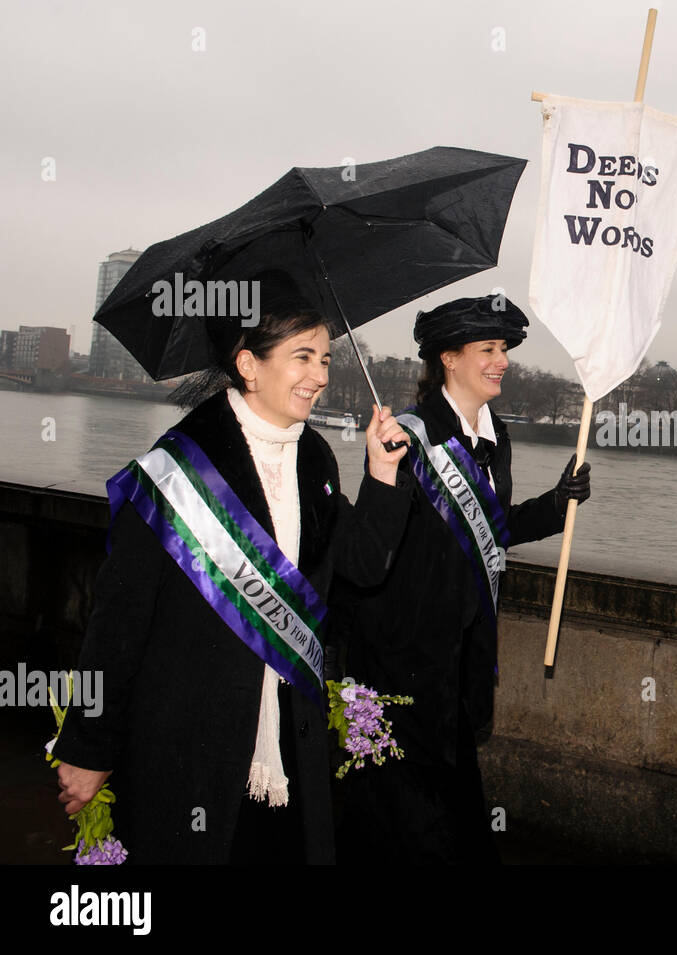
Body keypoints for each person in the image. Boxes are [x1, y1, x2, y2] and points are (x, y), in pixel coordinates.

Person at [52, 273, 412, 864]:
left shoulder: (316, 456)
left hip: (289, 749)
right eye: (303, 357)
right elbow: (117, 624)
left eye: (324, 359)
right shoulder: (179, 469)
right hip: (190, 742)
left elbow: (365, 565)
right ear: (249, 364)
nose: (321, 376)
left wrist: (383, 475)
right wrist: (89, 747)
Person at [336, 294, 590, 864]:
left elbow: (491, 532)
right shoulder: (407, 436)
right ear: (449, 358)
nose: (502, 361)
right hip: (398, 661)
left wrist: (555, 504)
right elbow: (370, 552)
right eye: (488, 349)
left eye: (504, 349)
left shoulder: (497, 433)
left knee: (439, 814)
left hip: (461, 662)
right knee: (399, 820)